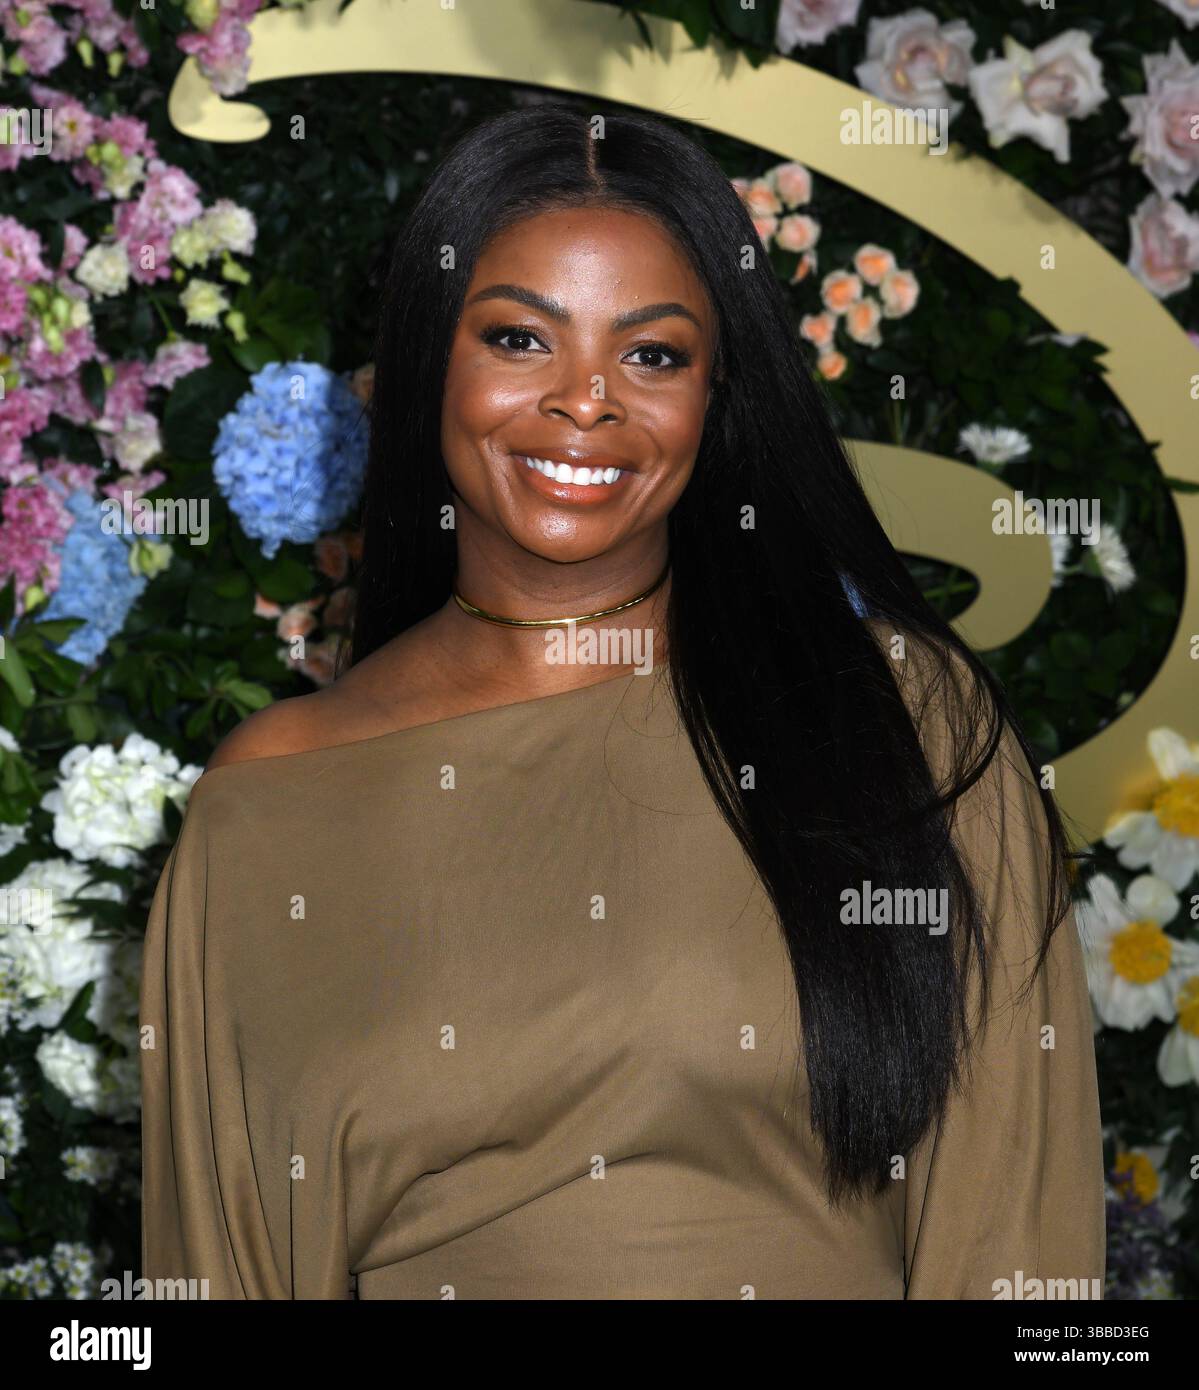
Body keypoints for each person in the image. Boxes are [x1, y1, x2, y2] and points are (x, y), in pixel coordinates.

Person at [139, 104, 1105, 1299]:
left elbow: (1016, 1236)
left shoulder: (905, 721)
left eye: (651, 355)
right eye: (518, 338)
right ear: (426, 357)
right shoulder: (269, 800)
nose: (585, 400)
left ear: (715, 393)